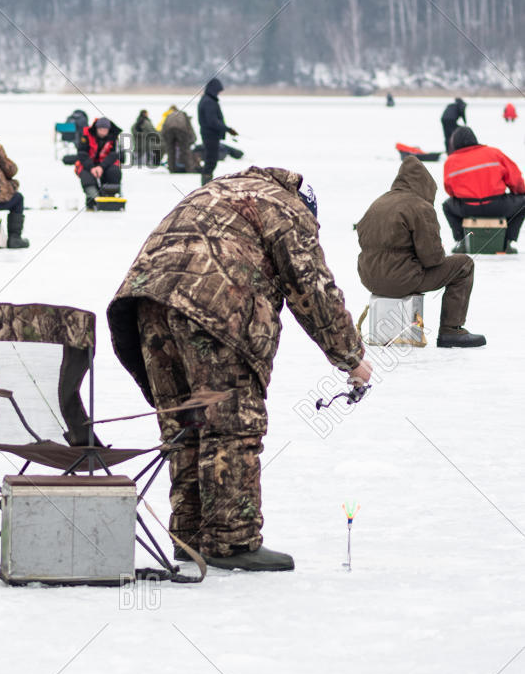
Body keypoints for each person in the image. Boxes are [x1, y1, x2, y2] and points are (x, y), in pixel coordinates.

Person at [108, 168, 371, 571]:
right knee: (231, 422)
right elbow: (312, 288)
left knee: (185, 423)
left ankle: (191, 535)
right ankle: (231, 541)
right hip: (217, 309)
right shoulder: (287, 207)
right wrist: (350, 356)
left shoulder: (216, 191)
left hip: (145, 304)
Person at [356, 154, 484, 348]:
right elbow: (433, 259)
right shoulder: (419, 206)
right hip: (400, 280)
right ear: (426, 185)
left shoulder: (378, 203)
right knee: (464, 265)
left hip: (369, 278)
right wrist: (437, 250)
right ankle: (451, 330)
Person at [442, 127, 525, 254]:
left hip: (467, 207)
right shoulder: (494, 153)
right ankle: (507, 241)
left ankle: (462, 241)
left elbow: (450, 190)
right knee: (522, 203)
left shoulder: (450, 161)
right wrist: (519, 192)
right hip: (497, 206)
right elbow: (515, 179)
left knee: (447, 206)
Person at [197, 78, 236, 185]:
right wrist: (227, 129)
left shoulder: (207, 100)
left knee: (211, 161)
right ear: (213, 90)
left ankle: (206, 184)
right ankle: (206, 185)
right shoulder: (209, 102)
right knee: (211, 161)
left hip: (209, 135)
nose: (219, 93)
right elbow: (212, 121)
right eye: (218, 90)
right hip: (210, 136)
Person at [76, 116, 123, 204]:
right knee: (85, 174)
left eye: (105, 130)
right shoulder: (86, 135)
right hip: (89, 164)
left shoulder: (114, 138)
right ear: (96, 128)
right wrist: (91, 167)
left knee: (114, 171)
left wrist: (101, 167)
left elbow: (114, 155)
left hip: (106, 164)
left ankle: (111, 195)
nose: (103, 132)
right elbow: (82, 153)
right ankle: (93, 197)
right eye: (100, 129)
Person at [159, 106, 196, 173]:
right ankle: (190, 169)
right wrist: (192, 139)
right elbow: (189, 128)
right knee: (185, 150)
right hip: (181, 130)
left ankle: (172, 169)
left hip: (168, 131)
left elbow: (163, 128)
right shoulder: (183, 114)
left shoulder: (169, 115)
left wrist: (165, 139)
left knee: (170, 151)